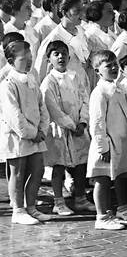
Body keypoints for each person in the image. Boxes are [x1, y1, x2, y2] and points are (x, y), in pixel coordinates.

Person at [86, 50, 127, 230]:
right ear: (97, 71)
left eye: (116, 64)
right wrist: (102, 146)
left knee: (118, 176)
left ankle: (115, 211)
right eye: (109, 66)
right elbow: (97, 121)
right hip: (107, 144)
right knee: (102, 179)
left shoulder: (116, 88)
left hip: (120, 142)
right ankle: (101, 216)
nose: (114, 68)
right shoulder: (100, 92)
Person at [1, 40, 50, 225]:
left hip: (36, 134)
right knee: (18, 173)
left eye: (30, 57)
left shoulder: (31, 80)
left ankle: (31, 207)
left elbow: (41, 106)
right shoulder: (8, 84)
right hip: (18, 136)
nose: (29, 61)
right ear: (11, 61)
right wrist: (31, 132)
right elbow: (14, 115)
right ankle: (18, 210)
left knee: (38, 170)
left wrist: (42, 129)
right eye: (23, 58)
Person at [40, 40, 92, 215]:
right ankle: (58, 201)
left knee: (80, 164)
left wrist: (83, 121)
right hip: (60, 130)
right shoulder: (49, 82)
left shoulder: (75, 76)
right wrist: (70, 124)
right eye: (56, 54)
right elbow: (52, 108)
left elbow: (85, 99)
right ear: (49, 60)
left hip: (78, 127)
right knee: (59, 165)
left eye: (63, 53)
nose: (61, 57)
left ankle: (80, 198)